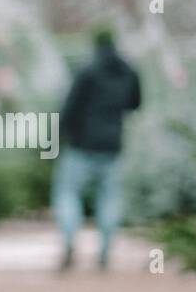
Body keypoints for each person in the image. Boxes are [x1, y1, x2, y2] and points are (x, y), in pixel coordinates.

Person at [54, 28, 142, 270]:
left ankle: (70, 239)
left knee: (68, 192)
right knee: (110, 197)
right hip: (113, 145)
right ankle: (104, 251)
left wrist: (58, 135)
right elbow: (135, 104)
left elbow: (70, 106)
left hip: (82, 145)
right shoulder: (129, 72)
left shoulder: (87, 71)